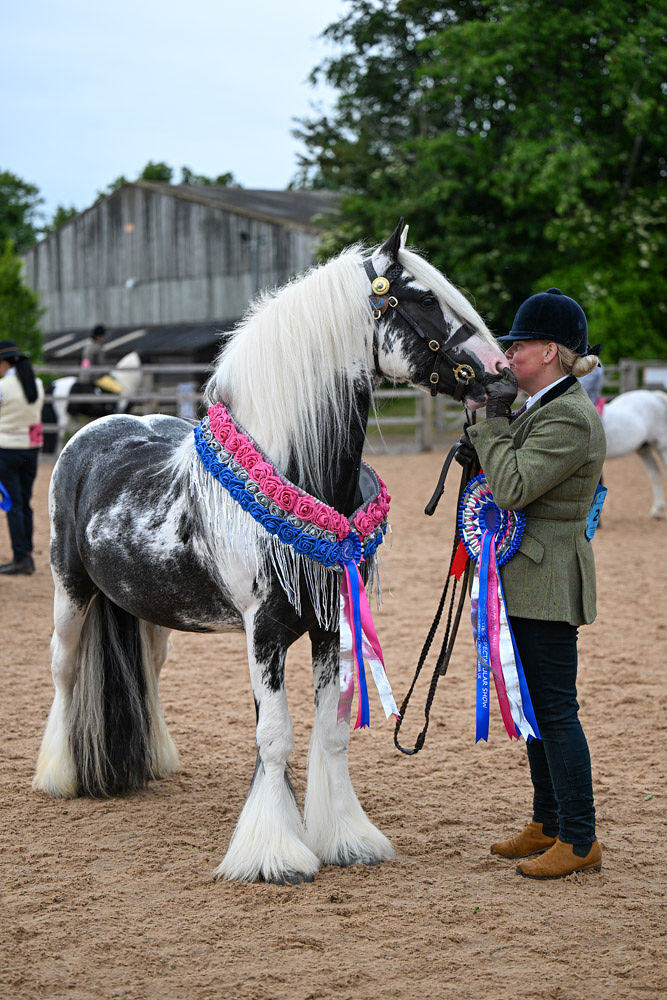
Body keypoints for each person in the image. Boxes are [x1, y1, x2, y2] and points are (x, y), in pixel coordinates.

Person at [459, 288, 606, 879]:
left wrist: (492, 426)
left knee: (555, 709)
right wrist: (485, 439)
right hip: (526, 575)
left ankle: (580, 837)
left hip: (548, 579)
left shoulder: (569, 417)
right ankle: (548, 822)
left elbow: (514, 488)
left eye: (518, 346)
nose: (509, 356)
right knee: (534, 708)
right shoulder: (544, 407)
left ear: (549, 351)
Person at [0, 339, 45, 575]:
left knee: (13, 504)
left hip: (6, 450)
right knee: (25, 502)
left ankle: (21, 557)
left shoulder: (2, 387)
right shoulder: (35, 384)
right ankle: (27, 554)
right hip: (31, 449)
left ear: (4, 363)